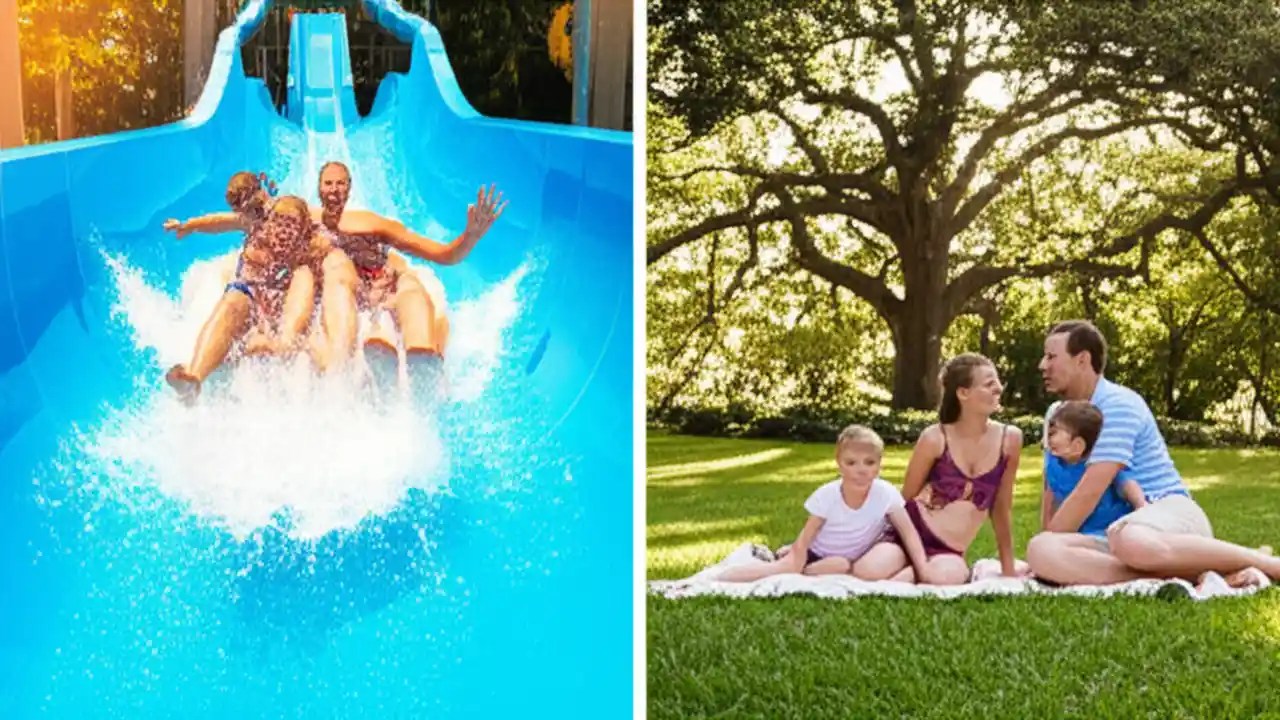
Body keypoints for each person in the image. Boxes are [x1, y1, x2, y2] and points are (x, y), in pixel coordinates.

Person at [1025, 320, 1280, 585]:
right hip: (1113, 536)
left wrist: (1055, 540)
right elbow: (1051, 488)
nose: (1042, 365)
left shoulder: (1117, 404)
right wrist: (1047, 543)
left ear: (1082, 360)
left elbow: (1090, 491)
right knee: (1040, 550)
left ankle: (1267, 564)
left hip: (1164, 516)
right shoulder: (1055, 414)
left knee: (1130, 540)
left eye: (1051, 356)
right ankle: (1179, 578)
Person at [310, 161, 505, 375]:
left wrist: (471, 236)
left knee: (411, 291)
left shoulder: (372, 224)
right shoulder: (306, 221)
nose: (334, 189)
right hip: (350, 295)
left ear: (349, 188)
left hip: (383, 285)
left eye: (341, 183)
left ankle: (423, 360)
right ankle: (377, 353)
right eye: (328, 183)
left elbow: (444, 255)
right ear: (319, 188)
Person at [856, 353, 1023, 584]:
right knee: (867, 572)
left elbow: (1001, 507)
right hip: (910, 535)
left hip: (948, 550)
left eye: (997, 381)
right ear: (963, 393)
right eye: (988, 384)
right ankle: (907, 569)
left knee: (946, 578)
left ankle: (911, 574)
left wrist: (1008, 569)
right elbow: (904, 500)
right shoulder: (935, 438)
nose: (998, 388)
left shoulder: (1010, 439)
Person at [163, 188, 321, 403]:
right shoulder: (257, 228)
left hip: (279, 319)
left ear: (302, 229)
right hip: (249, 306)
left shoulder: (307, 252)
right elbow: (222, 221)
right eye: (279, 221)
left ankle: (281, 342)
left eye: (291, 224)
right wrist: (188, 226)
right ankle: (194, 378)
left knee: (303, 275)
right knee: (234, 299)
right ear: (269, 222)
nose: (283, 230)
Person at [715, 426, 931, 582]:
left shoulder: (886, 493)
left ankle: (806, 567)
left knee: (845, 564)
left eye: (869, 462)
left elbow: (908, 532)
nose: (861, 469)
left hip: (857, 555)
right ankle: (720, 577)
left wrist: (923, 567)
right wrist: (794, 559)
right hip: (819, 552)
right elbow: (807, 534)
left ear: (879, 466)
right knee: (819, 565)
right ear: (839, 464)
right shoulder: (827, 495)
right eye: (851, 463)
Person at [1042, 400, 1145, 544]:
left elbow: (1128, 485)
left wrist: (1142, 509)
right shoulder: (1054, 465)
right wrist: (1046, 534)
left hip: (1110, 529)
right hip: (1078, 533)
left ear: (1077, 445)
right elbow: (1053, 500)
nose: (1049, 438)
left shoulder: (1099, 466)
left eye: (1054, 433)